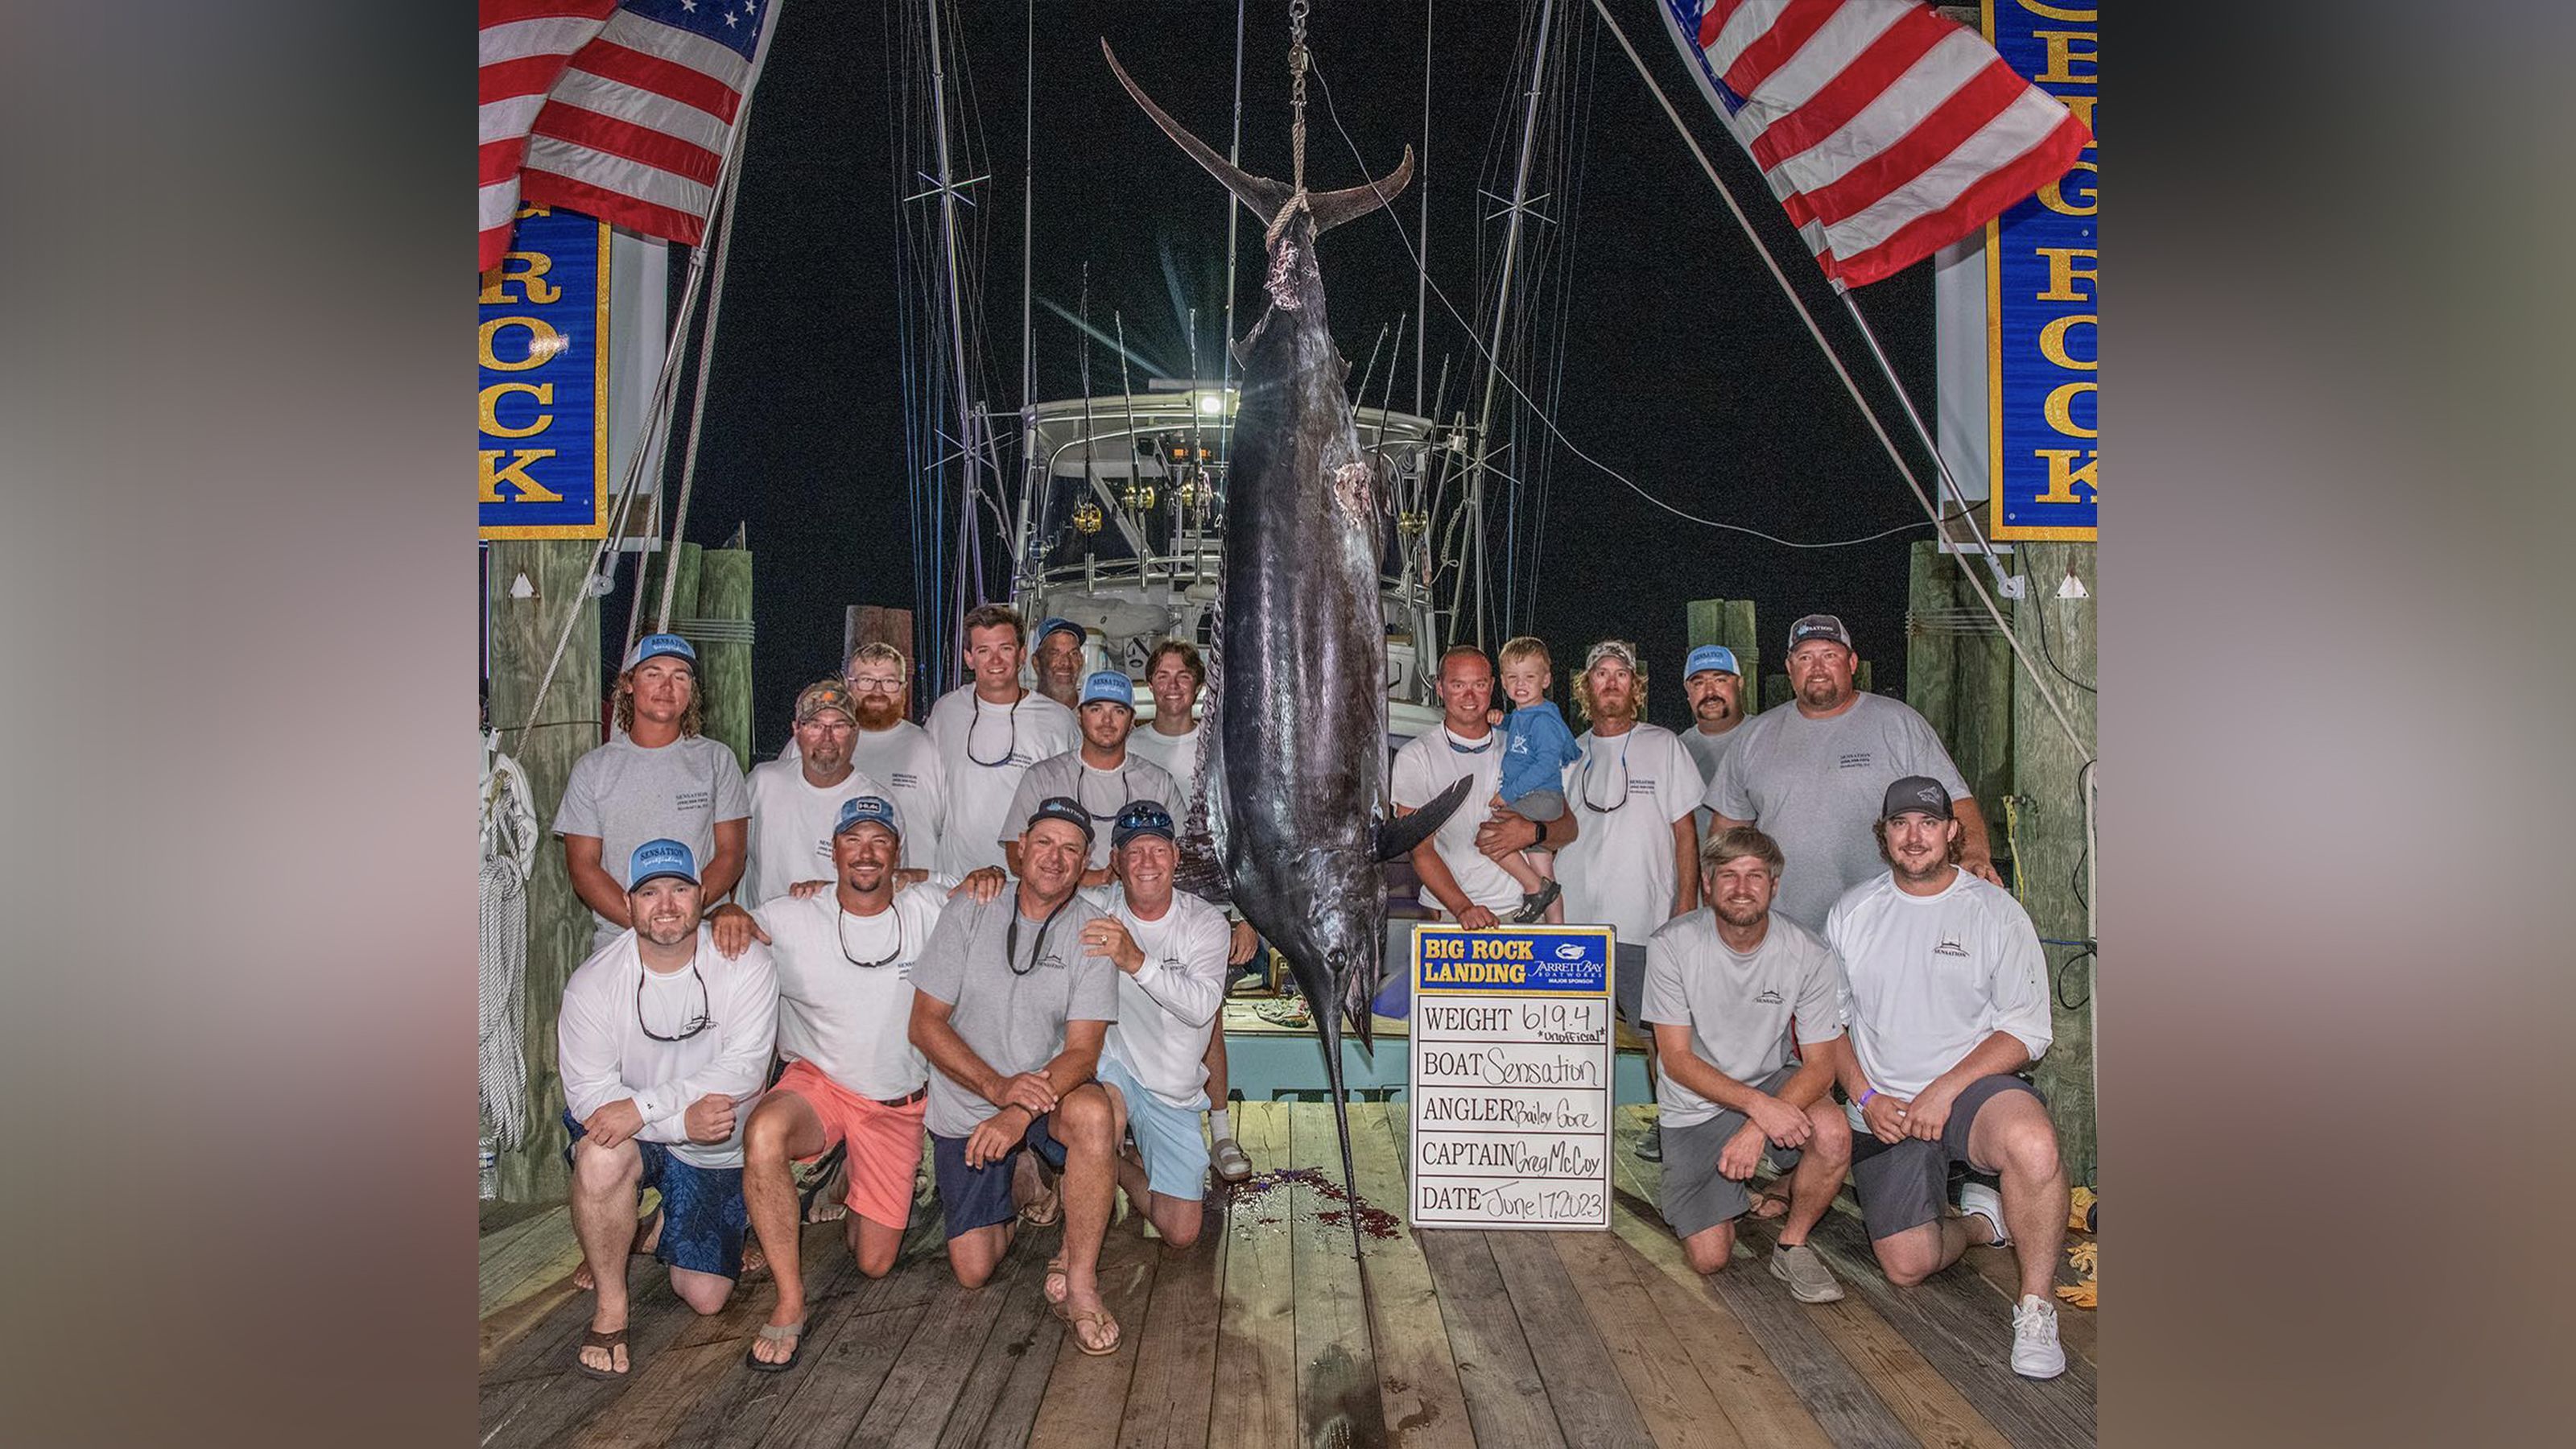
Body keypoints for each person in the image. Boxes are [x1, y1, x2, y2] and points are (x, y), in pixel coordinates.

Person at [1828, 777, 2069, 1380]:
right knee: (1907, 1265)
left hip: (1969, 1096)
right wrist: (1865, 1095)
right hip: (1885, 1106)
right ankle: (1980, 1221)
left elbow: (2026, 1031)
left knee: (2033, 1144)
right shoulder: (1853, 912)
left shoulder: (1995, 912)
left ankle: (2037, 1308)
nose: (1915, 836)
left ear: (1952, 831)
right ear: (1883, 835)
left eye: (1929, 823)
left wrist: (1946, 1089)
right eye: (1901, 824)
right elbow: (1825, 1025)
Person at [707, 798, 948, 1372]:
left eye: (880, 841)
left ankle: (844, 1177)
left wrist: (935, 877)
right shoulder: (792, 916)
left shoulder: (929, 906)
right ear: (834, 851)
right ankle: (790, 1301)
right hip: (820, 1085)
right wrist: (723, 915)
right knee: (764, 1132)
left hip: (895, 1104)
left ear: (897, 853)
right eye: (853, 841)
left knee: (873, 1261)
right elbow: (720, 927)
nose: (865, 853)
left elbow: (995, 886)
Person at [907, 799, 1126, 1354]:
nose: (1056, 858)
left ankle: (1081, 1284)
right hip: (972, 1102)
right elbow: (924, 1025)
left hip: (1042, 1099)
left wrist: (1019, 1107)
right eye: (1045, 843)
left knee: (1096, 1114)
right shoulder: (972, 907)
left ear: (1085, 864)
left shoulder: (1092, 931)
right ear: (1020, 848)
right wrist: (996, 1090)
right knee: (973, 1270)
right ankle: (1031, 1180)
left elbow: (1084, 1052)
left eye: (1071, 849)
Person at [555, 840, 778, 1379]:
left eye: (680, 889)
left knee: (705, 1296)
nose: (667, 904)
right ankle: (612, 1311)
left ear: (704, 895)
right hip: (649, 1129)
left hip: (712, 1141)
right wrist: (673, 1119)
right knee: (600, 1155)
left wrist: (647, 1107)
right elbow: (590, 1097)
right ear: (627, 905)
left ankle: (647, 1228)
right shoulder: (592, 985)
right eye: (649, 892)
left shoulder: (744, 962)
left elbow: (746, 1070)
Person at [1640, 827, 1852, 1302]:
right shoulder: (1672, 945)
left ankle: (1793, 1243)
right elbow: (1675, 1060)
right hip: (1696, 1102)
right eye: (1728, 876)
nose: (1741, 888)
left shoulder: (1809, 952)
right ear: (1709, 884)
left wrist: (1757, 1125)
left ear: (1775, 886)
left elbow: (1821, 1066)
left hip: (1771, 1082)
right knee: (1710, 1259)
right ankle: (1746, 1191)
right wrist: (1759, 1108)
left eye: (1755, 876)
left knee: (1834, 1131)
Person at [1704, 613, 1999, 932]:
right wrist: (1718, 910)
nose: (1817, 668)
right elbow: (1727, 836)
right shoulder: (1754, 737)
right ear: (1790, 668)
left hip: (1886, 926)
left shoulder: (1898, 723)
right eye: (1805, 657)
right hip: (1783, 929)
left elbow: (1956, 802)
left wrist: (1974, 857)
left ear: (1853, 662)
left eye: (1829, 656)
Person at [1551, 639, 1705, 1161]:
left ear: (1635, 688)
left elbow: (1686, 833)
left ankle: (1675, 1126)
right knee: (1573, 1033)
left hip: (1645, 922)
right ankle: (1568, 1128)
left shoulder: (1663, 745)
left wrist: (1685, 907)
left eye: (1621, 674)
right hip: (1575, 927)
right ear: (1585, 688)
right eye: (1601, 674)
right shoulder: (1567, 753)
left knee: (1658, 1035)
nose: (1612, 681)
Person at [1125, 638, 1263, 1183]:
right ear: (1150, 683)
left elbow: (1248, 831)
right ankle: (1138, 1131)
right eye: (1163, 675)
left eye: (1184, 675)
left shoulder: (1224, 744)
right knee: (1136, 1014)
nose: (1174, 685)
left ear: (1198, 684)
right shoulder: (1133, 747)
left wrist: (1247, 914)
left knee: (1207, 1021)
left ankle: (1222, 1133)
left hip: (1211, 905)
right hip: (1144, 896)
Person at [1086, 800, 1230, 1251]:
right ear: (1115, 861)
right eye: (1133, 852)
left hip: (1173, 1090)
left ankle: (1118, 1163)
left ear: (1176, 855)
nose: (1147, 863)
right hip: (1116, 1070)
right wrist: (977, 879)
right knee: (1098, 1116)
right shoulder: (1094, 908)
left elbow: (1202, 1007)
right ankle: (1073, 1256)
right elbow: (1033, 892)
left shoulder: (1206, 923)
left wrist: (1136, 961)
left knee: (1182, 1231)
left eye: (1158, 850)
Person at [556, 634, 751, 951]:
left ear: (691, 689)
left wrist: (681, 920)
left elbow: (731, 855)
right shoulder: (592, 769)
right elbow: (583, 867)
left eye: (680, 676)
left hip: (700, 936)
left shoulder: (717, 760)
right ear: (628, 684)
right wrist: (645, 924)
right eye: (653, 674)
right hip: (620, 940)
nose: (667, 686)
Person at [1391, 646, 1580, 932]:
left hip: (1522, 913)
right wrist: (1463, 908)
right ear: (1440, 689)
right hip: (1453, 916)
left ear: (1493, 686)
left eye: (1479, 685)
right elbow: (1421, 851)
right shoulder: (1415, 756)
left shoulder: (1520, 744)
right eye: (1458, 685)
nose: (1469, 696)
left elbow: (1569, 827)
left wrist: (1533, 833)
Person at [924, 604, 1078, 884]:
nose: (995, 660)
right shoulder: (946, 711)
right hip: (955, 880)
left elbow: (1074, 803)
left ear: (1020, 655)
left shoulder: (1058, 720)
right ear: (969, 658)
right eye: (984, 650)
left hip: (1028, 885)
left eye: (1005, 649)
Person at [1005, 670, 1178, 887]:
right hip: (1058, 908)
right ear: (1079, 715)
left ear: (1132, 719)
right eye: (1096, 709)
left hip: (1134, 912)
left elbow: (1180, 856)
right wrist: (1086, 878)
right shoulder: (1042, 777)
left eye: (1119, 711)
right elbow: (1015, 856)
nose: (1107, 720)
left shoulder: (1159, 782)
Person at [741, 679, 888, 904]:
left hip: (838, 934)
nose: (826, 738)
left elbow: (887, 885)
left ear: (855, 732)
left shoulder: (879, 802)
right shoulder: (761, 783)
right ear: (796, 730)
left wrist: (830, 891)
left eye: (839, 726)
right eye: (815, 726)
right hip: (762, 933)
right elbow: (732, 857)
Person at [1487, 636, 1583, 922]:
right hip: (1539, 799)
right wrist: (1500, 719)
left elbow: (1545, 765)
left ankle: (1534, 889)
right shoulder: (1524, 715)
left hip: (1540, 798)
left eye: (1529, 677)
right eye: (1513, 677)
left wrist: (1508, 795)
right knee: (1546, 870)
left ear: (1546, 680)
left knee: (1490, 837)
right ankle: (1556, 929)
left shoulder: (1543, 721)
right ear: (1503, 681)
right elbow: (1516, 726)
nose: (1521, 684)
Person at [841, 641, 947, 880]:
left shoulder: (926, 746)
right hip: (841, 892)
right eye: (866, 680)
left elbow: (946, 826)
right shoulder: (822, 743)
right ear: (849, 685)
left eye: (889, 682)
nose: (877, 691)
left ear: (903, 688)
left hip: (913, 892)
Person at [1678, 644, 1751, 840]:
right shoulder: (1676, 751)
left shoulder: (1766, 736)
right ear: (1688, 690)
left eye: (1720, 680)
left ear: (1740, 683)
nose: (1710, 692)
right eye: (1698, 683)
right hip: (1698, 868)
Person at [1031, 616, 1088, 708]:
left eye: (1073, 653)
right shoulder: (1023, 716)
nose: (1066, 662)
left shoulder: (1093, 715)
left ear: (1081, 661)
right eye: (1055, 654)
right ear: (1036, 663)